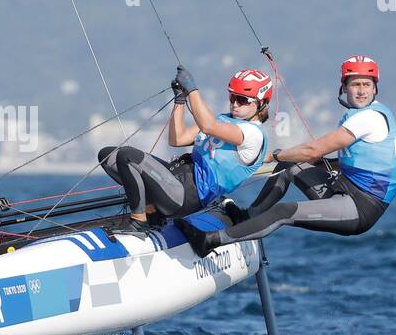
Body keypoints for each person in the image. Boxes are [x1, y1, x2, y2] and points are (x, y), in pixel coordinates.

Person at [181, 55, 396, 254]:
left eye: (367, 84)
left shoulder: (369, 118)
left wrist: (276, 156)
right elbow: (355, 164)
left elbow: (313, 150)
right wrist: (301, 162)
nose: (362, 90)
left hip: (360, 207)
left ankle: (210, 241)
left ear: (375, 88)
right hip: (344, 189)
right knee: (290, 168)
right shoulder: (363, 115)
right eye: (355, 84)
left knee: (283, 211)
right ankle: (247, 218)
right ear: (344, 87)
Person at [99, 65, 272, 234]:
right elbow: (178, 139)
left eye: (242, 100)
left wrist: (192, 89)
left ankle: (139, 222)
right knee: (108, 155)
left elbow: (208, 126)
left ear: (261, 103)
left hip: (186, 197)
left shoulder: (253, 134)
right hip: (174, 179)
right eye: (232, 97)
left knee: (127, 156)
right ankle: (151, 211)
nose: (234, 104)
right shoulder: (224, 120)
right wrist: (180, 100)